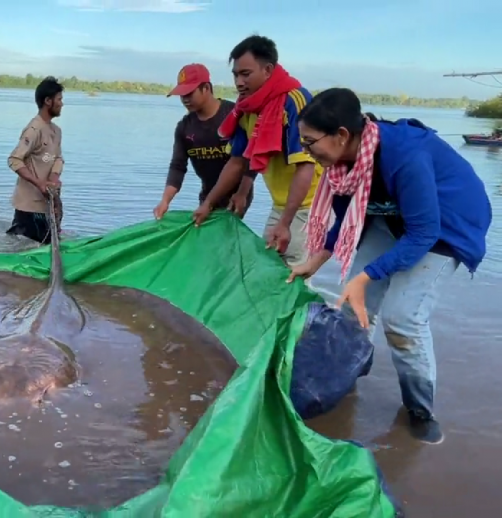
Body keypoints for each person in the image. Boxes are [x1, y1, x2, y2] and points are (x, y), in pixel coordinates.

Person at [287, 87, 492, 444]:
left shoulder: (405, 156)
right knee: (351, 305)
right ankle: (348, 373)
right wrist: (315, 261)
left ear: (341, 135)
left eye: (309, 142)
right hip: (392, 218)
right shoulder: (341, 166)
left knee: (402, 319)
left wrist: (367, 276)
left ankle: (420, 410)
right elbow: (345, 218)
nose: (307, 151)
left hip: (445, 227)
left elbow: (424, 232)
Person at [194, 35, 322, 266]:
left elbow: (306, 166)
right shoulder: (247, 107)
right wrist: (209, 203)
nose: (239, 82)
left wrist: (284, 223)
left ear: (268, 70)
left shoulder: (294, 100)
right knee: (266, 266)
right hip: (282, 203)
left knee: (292, 273)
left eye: (246, 74)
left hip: (311, 205)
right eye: (235, 75)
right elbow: (238, 161)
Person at [154, 63, 254, 220]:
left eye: (189, 93)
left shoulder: (234, 115)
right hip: (207, 197)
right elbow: (177, 167)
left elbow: (251, 158)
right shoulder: (184, 127)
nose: (185, 99)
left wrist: (243, 193)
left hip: (237, 197)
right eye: (181, 95)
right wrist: (165, 201)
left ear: (206, 88)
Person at [6, 76, 65, 245]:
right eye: (59, 99)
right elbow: (14, 160)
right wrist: (39, 183)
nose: (62, 104)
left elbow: (58, 158)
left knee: (50, 244)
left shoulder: (56, 131)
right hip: (29, 208)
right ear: (48, 101)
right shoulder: (34, 129)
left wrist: (53, 178)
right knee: (26, 250)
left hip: (47, 206)